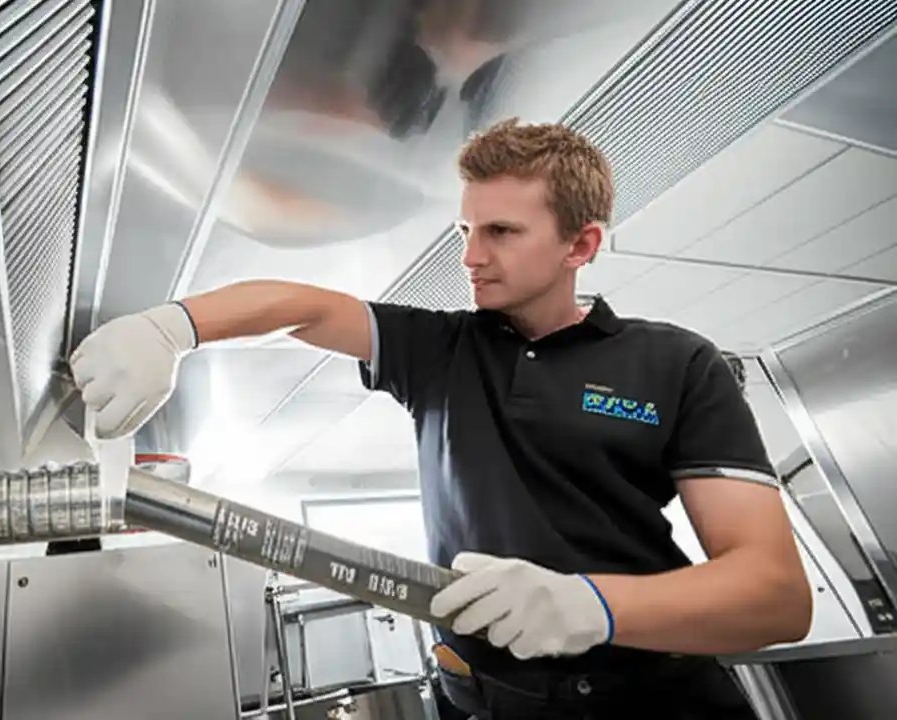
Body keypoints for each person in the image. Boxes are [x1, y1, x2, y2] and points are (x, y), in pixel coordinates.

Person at [69, 118, 812, 719]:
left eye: (501, 233)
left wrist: (591, 605)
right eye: (465, 230)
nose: (470, 256)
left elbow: (774, 596)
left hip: (651, 699)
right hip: (477, 700)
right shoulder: (440, 350)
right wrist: (172, 329)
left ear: (580, 245)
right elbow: (301, 306)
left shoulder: (678, 362)